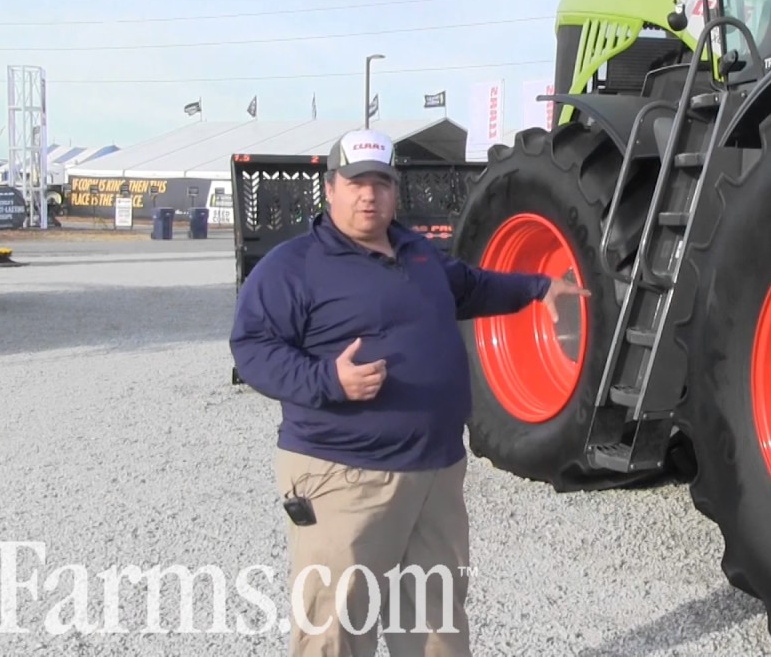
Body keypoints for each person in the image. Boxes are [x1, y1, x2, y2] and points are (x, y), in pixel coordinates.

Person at [229, 128, 588, 657]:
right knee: (335, 627)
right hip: (345, 475)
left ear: (396, 190)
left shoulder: (419, 254)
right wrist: (329, 381)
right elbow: (252, 348)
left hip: (436, 476)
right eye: (355, 182)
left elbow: (471, 286)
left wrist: (537, 288)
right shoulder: (293, 266)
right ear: (330, 189)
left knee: (434, 622)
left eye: (380, 182)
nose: (368, 195)